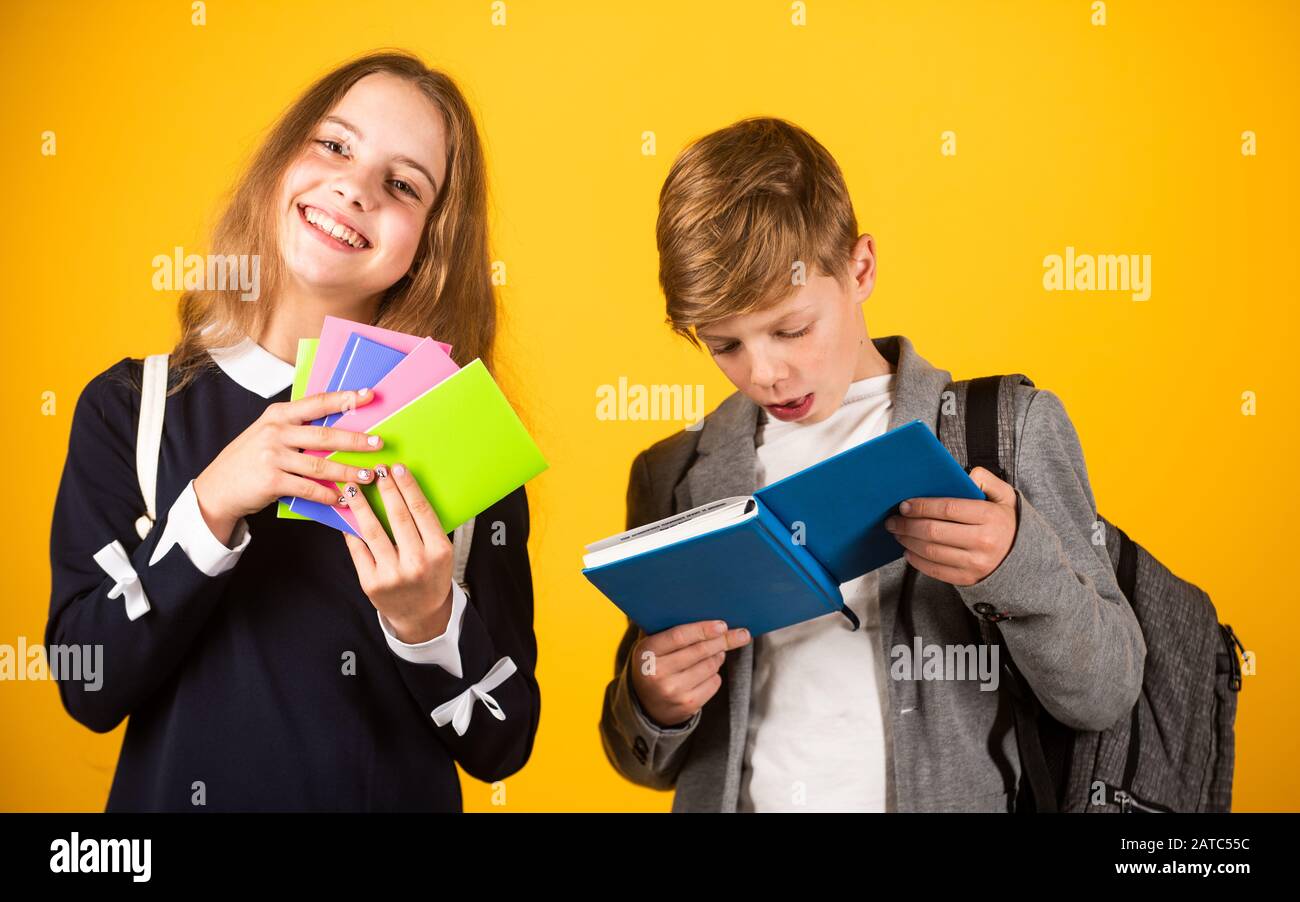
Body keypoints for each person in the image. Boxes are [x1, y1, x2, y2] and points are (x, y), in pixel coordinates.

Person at [599, 117, 1146, 812]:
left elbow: (1107, 691)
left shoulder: (1005, 430)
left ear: (859, 269)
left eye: (791, 328)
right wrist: (653, 698)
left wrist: (1014, 563)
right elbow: (640, 761)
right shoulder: (673, 474)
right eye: (724, 345)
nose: (765, 372)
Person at [47, 51, 540, 811]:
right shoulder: (129, 406)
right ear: (281, 163)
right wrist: (208, 507)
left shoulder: (460, 432)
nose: (354, 188)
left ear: (431, 243)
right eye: (335, 145)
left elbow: (504, 742)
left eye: (402, 184)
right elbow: (88, 685)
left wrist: (427, 621)